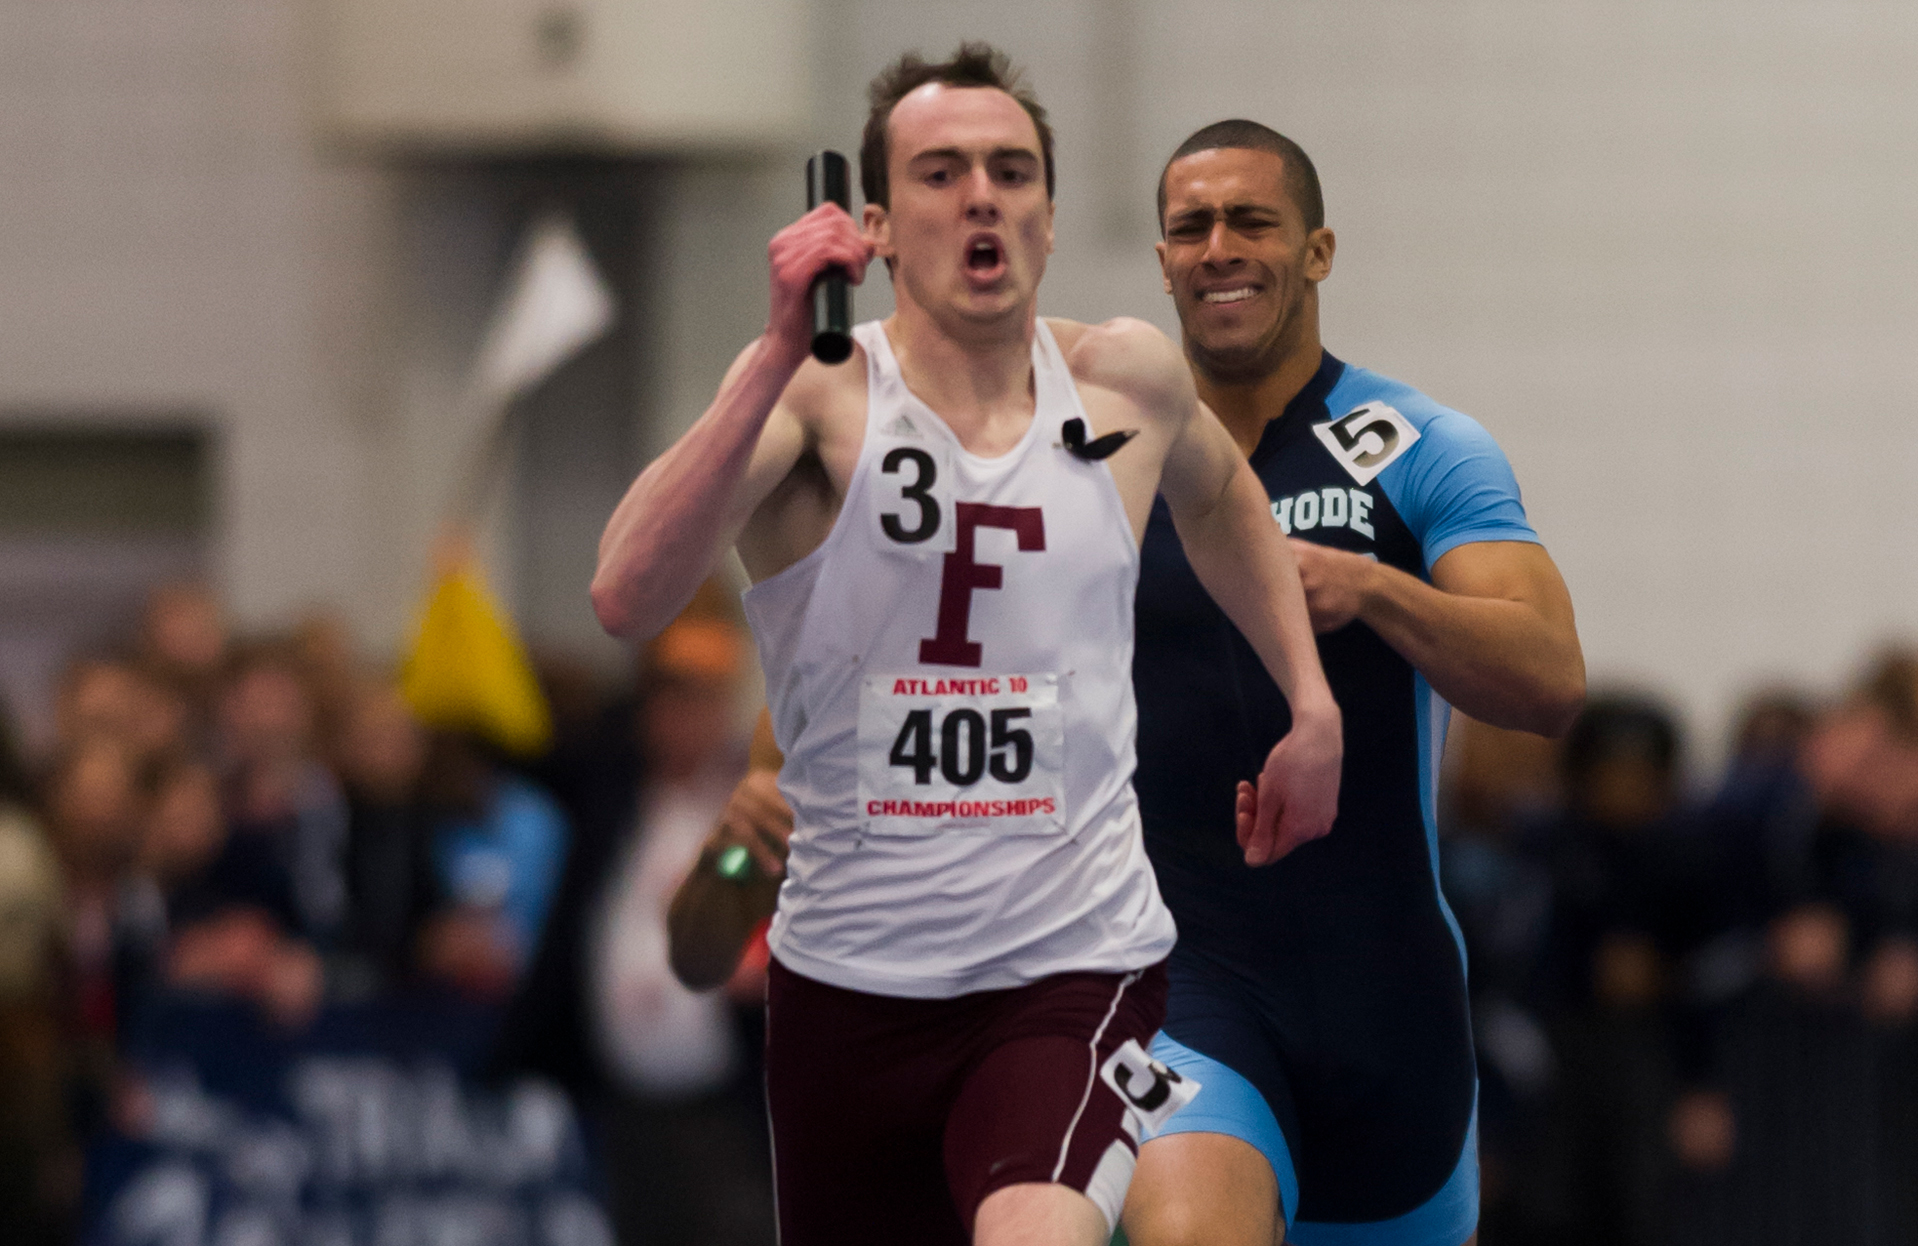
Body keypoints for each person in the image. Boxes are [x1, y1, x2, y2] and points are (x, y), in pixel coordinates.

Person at [592, 44, 1343, 1246]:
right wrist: (777, 350)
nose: (981, 196)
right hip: (846, 987)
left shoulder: (1124, 385)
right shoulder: (813, 396)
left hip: (1070, 970)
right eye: (941, 173)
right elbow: (625, 594)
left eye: (1010, 170)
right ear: (876, 225)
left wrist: (1309, 701)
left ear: (1047, 215)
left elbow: (1219, 501)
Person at [1120, 121, 1584, 1246]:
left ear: (1317, 251)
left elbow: (1549, 678)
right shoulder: (1105, 459)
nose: (1218, 247)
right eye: (1190, 227)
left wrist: (1376, 592)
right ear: (1164, 260)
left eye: (1251, 221)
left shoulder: (1415, 445)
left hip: (1388, 1009)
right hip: (1181, 982)